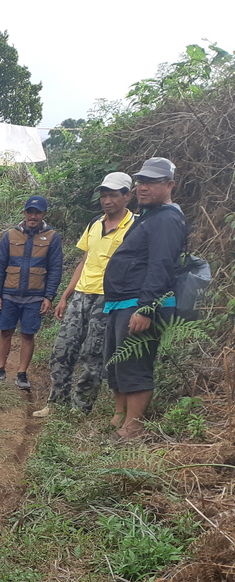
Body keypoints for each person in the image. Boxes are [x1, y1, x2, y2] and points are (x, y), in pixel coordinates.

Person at [33, 173, 135, 418]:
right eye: (104, 196)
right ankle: (56, 403)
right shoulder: (95, 224)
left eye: (113, 195)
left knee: (93, 355)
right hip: (81, 295)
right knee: (62, 350)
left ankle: (81, 409)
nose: (107, 200)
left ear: (127, 196)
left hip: (108, 299)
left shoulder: (135, 227)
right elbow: (84, 261)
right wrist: (66, 296)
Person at [101, 157, 188, 441]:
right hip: (122, 302)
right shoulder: (151, 216)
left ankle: (134, 426)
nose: (143, 187)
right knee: (117, 361)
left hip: (138, 304)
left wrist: (146, 308)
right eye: (141, 181)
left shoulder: (167, 219)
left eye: (152, 182)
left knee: (134, 363)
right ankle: (121, 418)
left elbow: (161, 265)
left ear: (170, 185)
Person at [0, 196, 63, 391]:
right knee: (5, 331)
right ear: (24, 213)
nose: (33, 216)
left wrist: (49, 297)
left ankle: (22, 374)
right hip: (9, 294)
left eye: (37, 212)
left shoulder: (52, 238)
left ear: (43, 214)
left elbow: (56, 269)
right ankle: (0, 370)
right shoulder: (10, 235)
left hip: (35, 296)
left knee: (28, 335)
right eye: (30, 212)